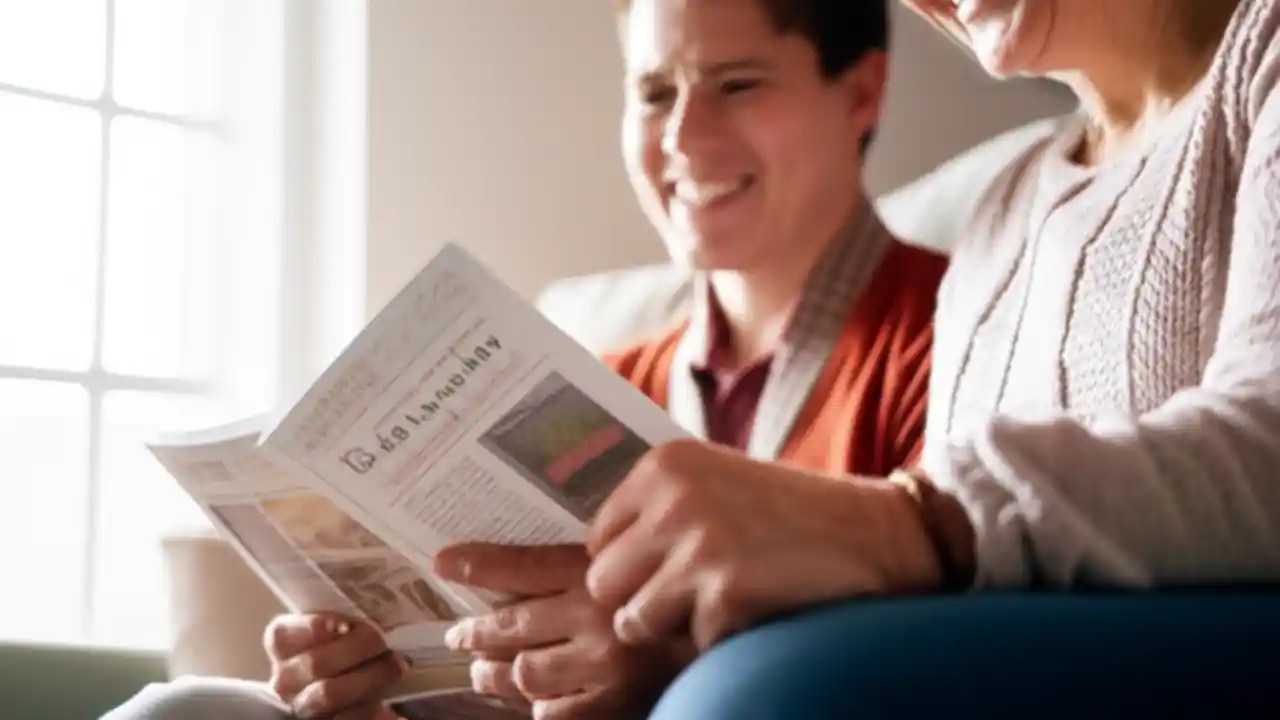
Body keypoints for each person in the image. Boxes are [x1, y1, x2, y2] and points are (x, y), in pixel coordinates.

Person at [104, 0, 947, 718]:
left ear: (862, 92)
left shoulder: (948, 341)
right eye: (654, 92)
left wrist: (667, 673)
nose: (684, 137)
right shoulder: (603, 383)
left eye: (738, 83)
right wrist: (375, 692)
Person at [609, 0, 1280, 716]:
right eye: (654, 93)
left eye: (738, 83)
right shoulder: (1003, 208)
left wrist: (908, 519)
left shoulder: (1260, 64)